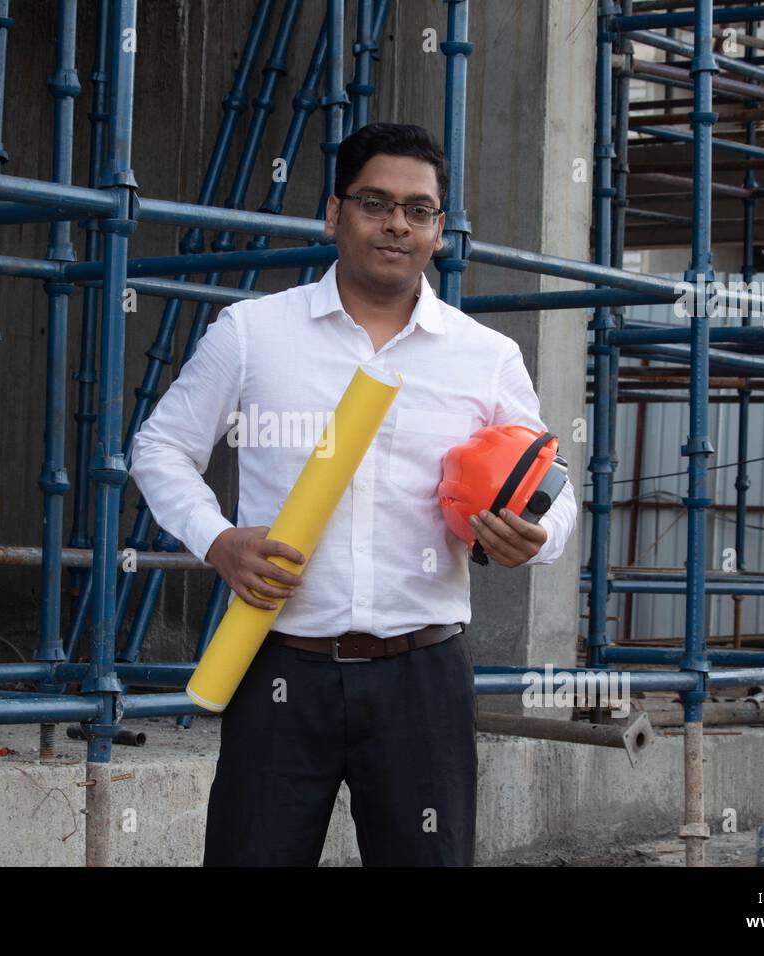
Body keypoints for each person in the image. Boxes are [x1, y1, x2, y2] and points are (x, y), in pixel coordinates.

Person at [129, 122, 578, 866]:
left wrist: (539, 536)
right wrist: (218, 539)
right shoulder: (253, 334)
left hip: (423, 678)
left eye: (420, 209)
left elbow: (553, 491)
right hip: (279, 666)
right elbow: (160, 447)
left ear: (439, 228)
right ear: (334, 213)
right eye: (375, 202)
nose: (398, 223)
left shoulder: (484, 356)